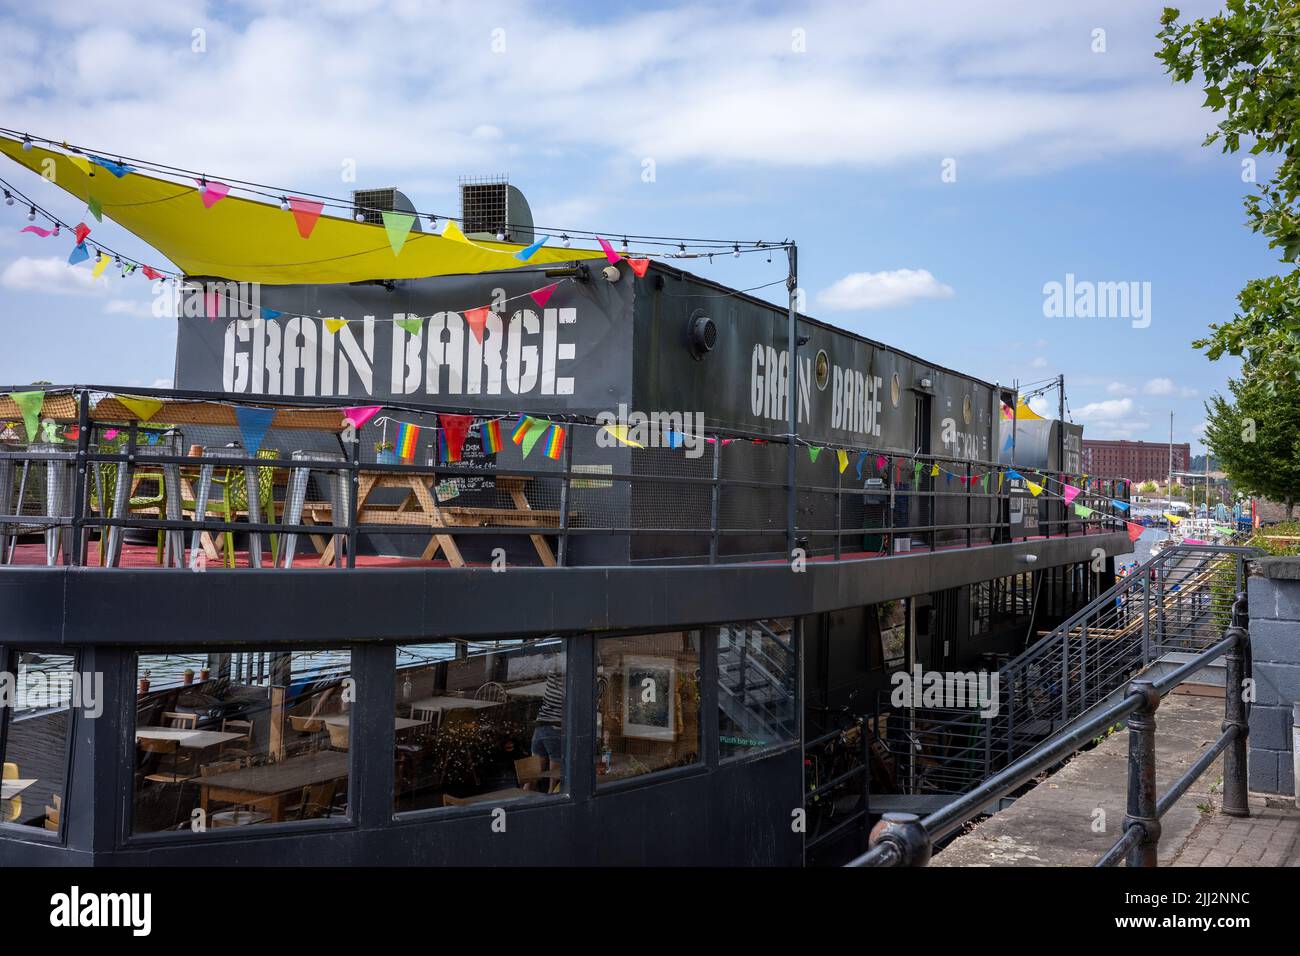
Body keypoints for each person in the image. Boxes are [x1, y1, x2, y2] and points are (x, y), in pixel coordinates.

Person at [530, 669, 564, 790]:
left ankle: (523, 803)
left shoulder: (553, 671)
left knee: (531, 780)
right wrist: (605, 678)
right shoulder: (571, 678)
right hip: (555, 730)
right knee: (553, 784)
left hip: (539, 729)